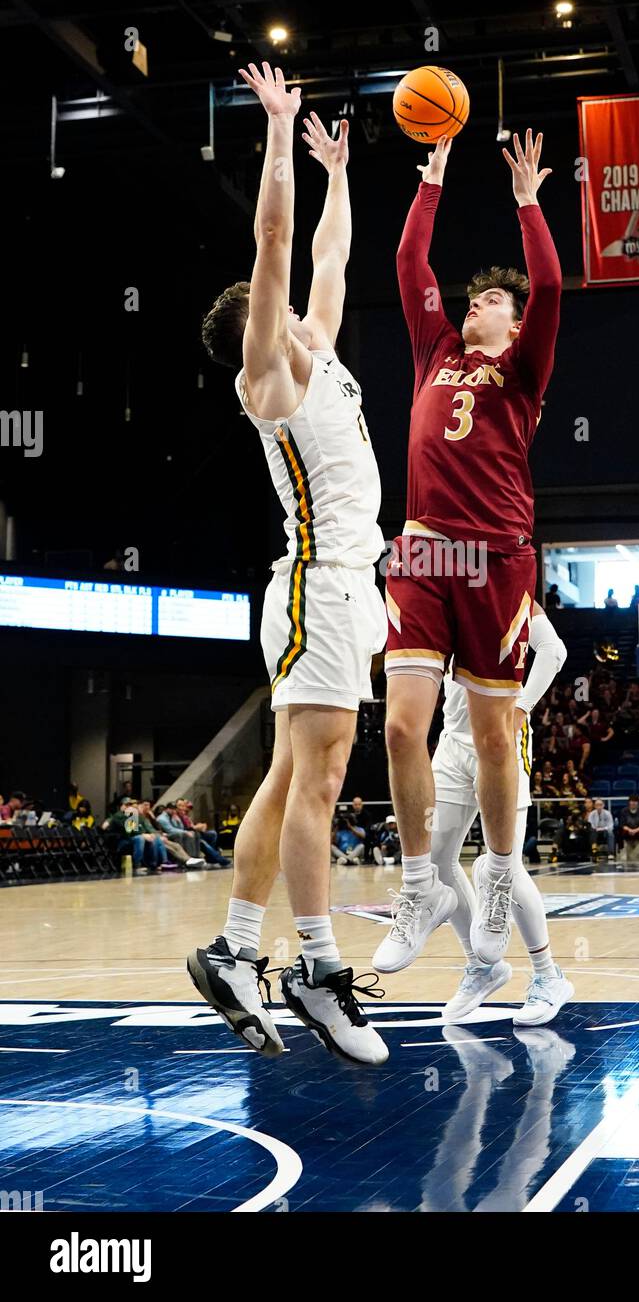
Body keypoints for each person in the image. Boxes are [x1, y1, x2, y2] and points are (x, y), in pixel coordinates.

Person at [189, 64, 388, 1066]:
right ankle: (315, 965)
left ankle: (232, 950)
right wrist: (275, 132)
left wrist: (338, 171)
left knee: (290, 774)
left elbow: (327, 253)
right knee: (320, 779)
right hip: (318, 588)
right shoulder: (269, 376)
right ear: (261, 335)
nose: (307, 308)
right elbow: (276, 240)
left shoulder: (324, 353)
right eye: (281, 311)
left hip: (346, 589)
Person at [373, 126, 561, 977]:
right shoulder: (436, 352)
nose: (473, 303)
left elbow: (548, 283)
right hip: (423, 553)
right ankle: (421, 888)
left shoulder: (523, 369)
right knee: (399, 727)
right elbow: (409, 262)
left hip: (497, 559)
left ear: (513, 323)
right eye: (474, 297)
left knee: (493, 739)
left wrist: (527, 202)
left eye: (489, 299)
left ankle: (499, 875)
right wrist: (433, 181)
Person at [418, 602, 572, 1023]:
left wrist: (520, 710)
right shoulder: (441, 593)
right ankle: (482, 966)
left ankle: (548, 975)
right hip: (452, 742)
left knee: (502, 865)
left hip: (501, 739)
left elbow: (553, 651)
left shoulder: (510, 590)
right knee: (435, 861)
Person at [619, 795, 639, 862]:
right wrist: (630, 830)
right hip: (628, 830)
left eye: (635, 801)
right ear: (629, 802)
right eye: (632, 801)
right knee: (619, 832)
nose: (633, 803)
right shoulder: (624, 811)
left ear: (638, 803)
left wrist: (635, 830)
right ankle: (622, 851)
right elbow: (622, 825)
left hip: (638, 830)